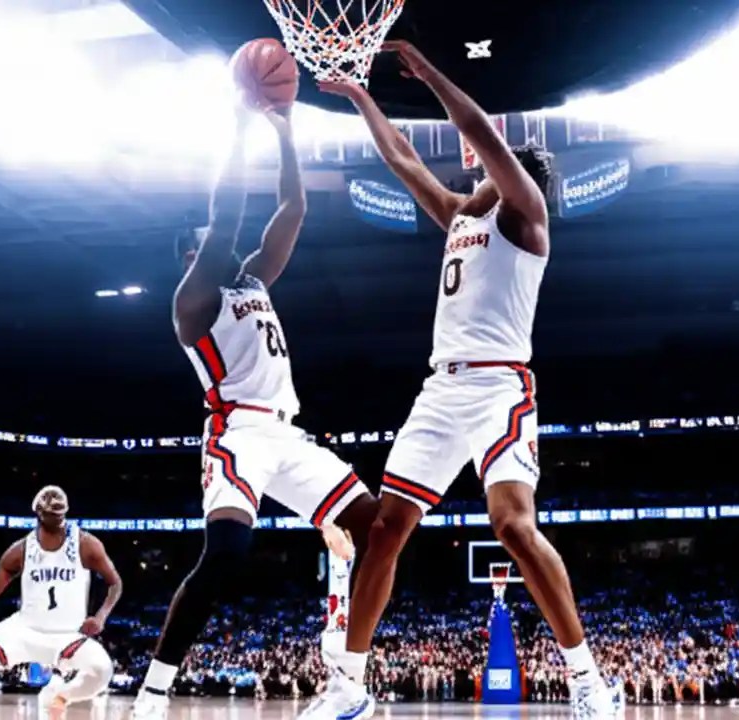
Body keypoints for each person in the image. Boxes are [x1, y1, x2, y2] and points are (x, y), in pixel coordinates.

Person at [303, 41, 622, 720]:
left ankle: (587, 681)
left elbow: (477, 130)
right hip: (440, 392)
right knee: (384, 530)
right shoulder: (460, 217)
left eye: (486, 163)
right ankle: (350, 683)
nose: (471, 164)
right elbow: (403, 159)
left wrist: (428, 75)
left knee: (512, 526)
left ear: (513, 174)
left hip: (499, 389)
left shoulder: (524, 214)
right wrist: (362, 98)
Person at [129, 99, 380, 719]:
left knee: (378, 531)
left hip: (287, 436)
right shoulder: (192, 300)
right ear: (191, 260)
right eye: (208, 246)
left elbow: (293, 210)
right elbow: (227, 219)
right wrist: (240, 128)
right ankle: (154, 692)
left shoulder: (253, 281)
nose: (224, 247)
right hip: (235, 433)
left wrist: (286, 133)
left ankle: (345, 672)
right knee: (225, 554)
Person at [0, 486, 121, 719]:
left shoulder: (85, 543)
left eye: (60, 513)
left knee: (102, 670)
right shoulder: (21, 549)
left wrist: (101, 616)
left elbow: (115, 583)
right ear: (39, 513)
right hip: (23, 629)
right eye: (52, 513)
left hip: (68, 633)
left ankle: (59, 694)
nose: (57, 518)